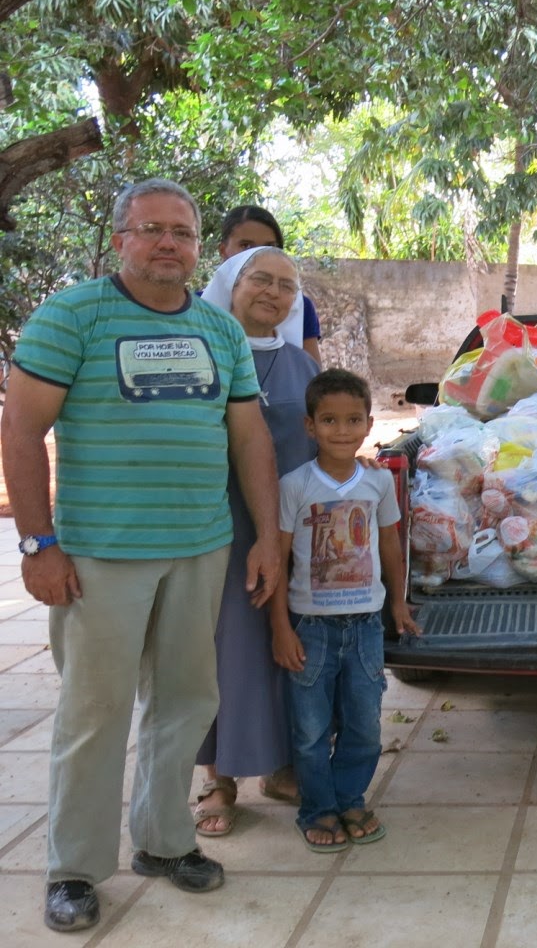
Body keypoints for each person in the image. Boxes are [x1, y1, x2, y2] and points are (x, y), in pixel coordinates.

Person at [0, 178, 281, 932]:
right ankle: (76, 869)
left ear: (198, 249)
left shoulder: (220, 333)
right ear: (121, 237)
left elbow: (248, 436)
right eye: (151, 229)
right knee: (95, 713)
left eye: (183, 233)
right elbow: (21, 431)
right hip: (101, 556)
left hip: (199, 549)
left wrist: (268, 536)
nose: (169, 244)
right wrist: (38, 544)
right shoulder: (73, 316)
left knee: (188, 700)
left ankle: (163, 841)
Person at [189, 247, 322, 835]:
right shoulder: (199, 354)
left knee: (289, 647)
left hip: (292, 531)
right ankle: (218, 778)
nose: (273, 293)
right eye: (260, 280)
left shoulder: (303, 366)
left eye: (287, 286)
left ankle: (282, 765)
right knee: (222, 650)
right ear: (230, 284)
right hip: (219, 526)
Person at [270, 369, 420, 851]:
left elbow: (391, 546)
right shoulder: (294, 485)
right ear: (310, 426)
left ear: (369, 424)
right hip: (309, 628)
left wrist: (396, 602)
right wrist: (280, 628)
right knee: (311, 731)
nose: (341, 430)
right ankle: (317, 809)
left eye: (353, 420)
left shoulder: (376, 484)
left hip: (365, 627)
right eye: (329, 420)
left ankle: (351, 798)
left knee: (364, 725)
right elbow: (276, 557)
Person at [219, 205, 323, 364]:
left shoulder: (298, 307)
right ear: (223, 251)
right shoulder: (198, 305)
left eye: (269, 247)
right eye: (246, 246)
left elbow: (311, 377)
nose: (258, 253)